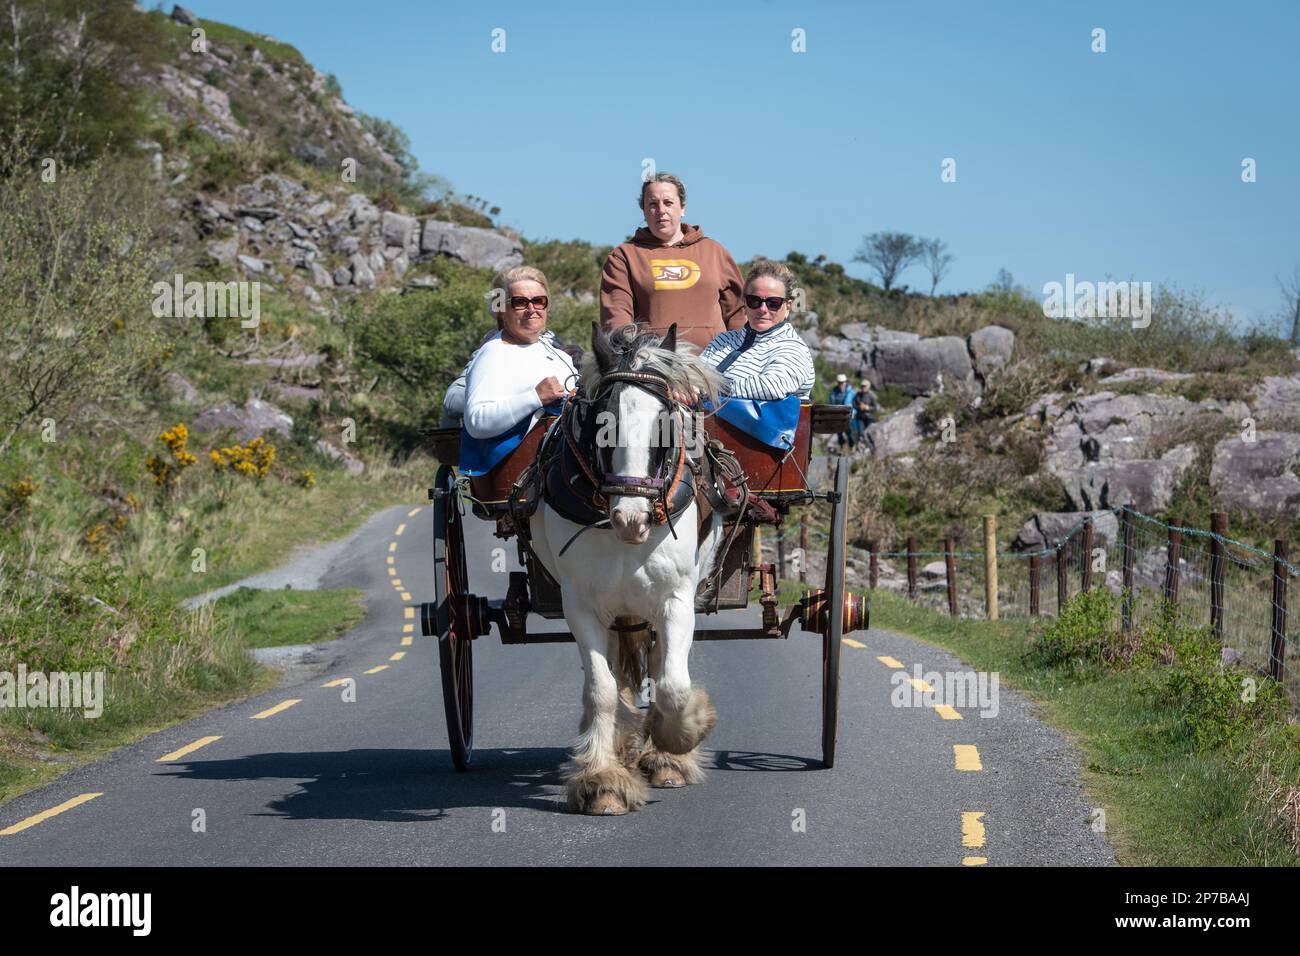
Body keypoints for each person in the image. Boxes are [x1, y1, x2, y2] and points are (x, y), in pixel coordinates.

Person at [599, 172, 746, 350]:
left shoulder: (715, 252)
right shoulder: (624, 256)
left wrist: (740, 354)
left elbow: (739, 313)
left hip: (713, 365)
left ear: (682, 207)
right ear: (644, 211)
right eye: (652, 204)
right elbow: (616, 318)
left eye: (668, 203)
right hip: (654, 369)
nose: (661, 210)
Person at [461, 266, 577, 441]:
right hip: (517, 465)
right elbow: (476, 422)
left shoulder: (562, 357)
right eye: (520, 302)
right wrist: (535, 397)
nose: (531, 309)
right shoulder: (493, 353)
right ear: (501, 310)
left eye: (538, 301)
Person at [699, 259, 815, 400]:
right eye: (755, 301)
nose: (762, 309)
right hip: (703, 420)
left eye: (773, 303)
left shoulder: (793, 348)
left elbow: (772, 386)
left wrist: (710, 389)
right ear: (744, 303)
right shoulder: (723, 340)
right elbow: (693, 377)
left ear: (788, 307)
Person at [828, 373, 856, 449]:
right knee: (838, 431)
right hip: (838, 415)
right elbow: (831, 402)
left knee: (848, 431)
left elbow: (855, 404)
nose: (841, 384)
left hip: (848, 415)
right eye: (840, 382)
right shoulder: (834, 391)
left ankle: (852, 446)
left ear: (845, 382)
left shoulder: (851, 391)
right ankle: (842, 446)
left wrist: (854, 412)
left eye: (842, 382)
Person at [851, 379, 879, 445]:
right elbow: (854, 404)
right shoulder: (858, 394)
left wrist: (867, 407)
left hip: (870, 418)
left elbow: (875, 408)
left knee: (869, 433)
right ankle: (861, 448)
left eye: (865, 386)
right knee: (861, 434)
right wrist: (859, 407)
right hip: (860, 417)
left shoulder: (872, 395)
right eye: (862, 386)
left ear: (868, 386)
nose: (863, 387)